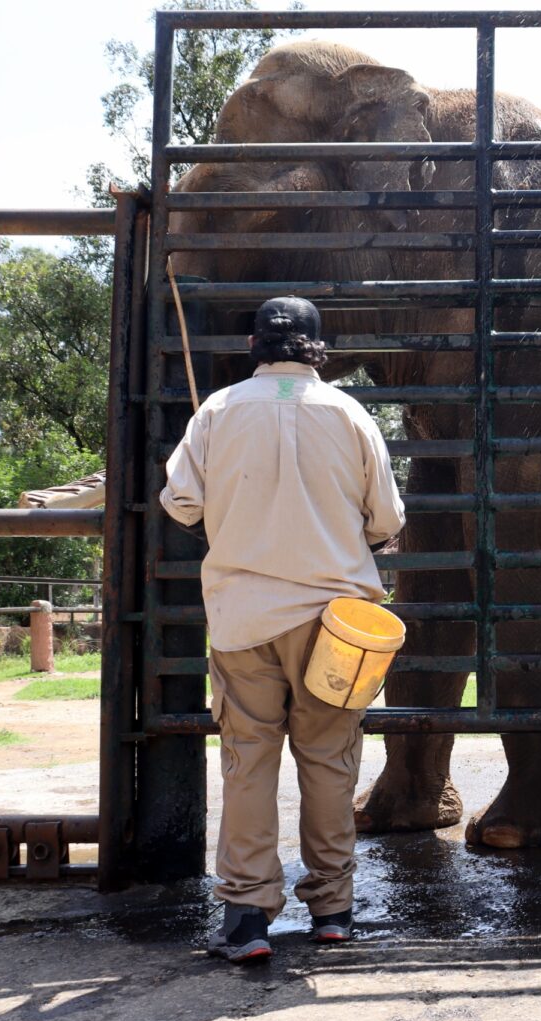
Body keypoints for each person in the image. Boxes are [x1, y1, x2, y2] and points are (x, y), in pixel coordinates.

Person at [161, 296, 405, 962]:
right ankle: (333, 911)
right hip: (337, 627)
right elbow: (386, 519)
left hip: (243, 620)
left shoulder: (216, 411)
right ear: (318, 350)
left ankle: (246, 920)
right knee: (328, 765)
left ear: (252, 345)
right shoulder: (351, 414)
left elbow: (179, 502)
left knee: (248, 767)